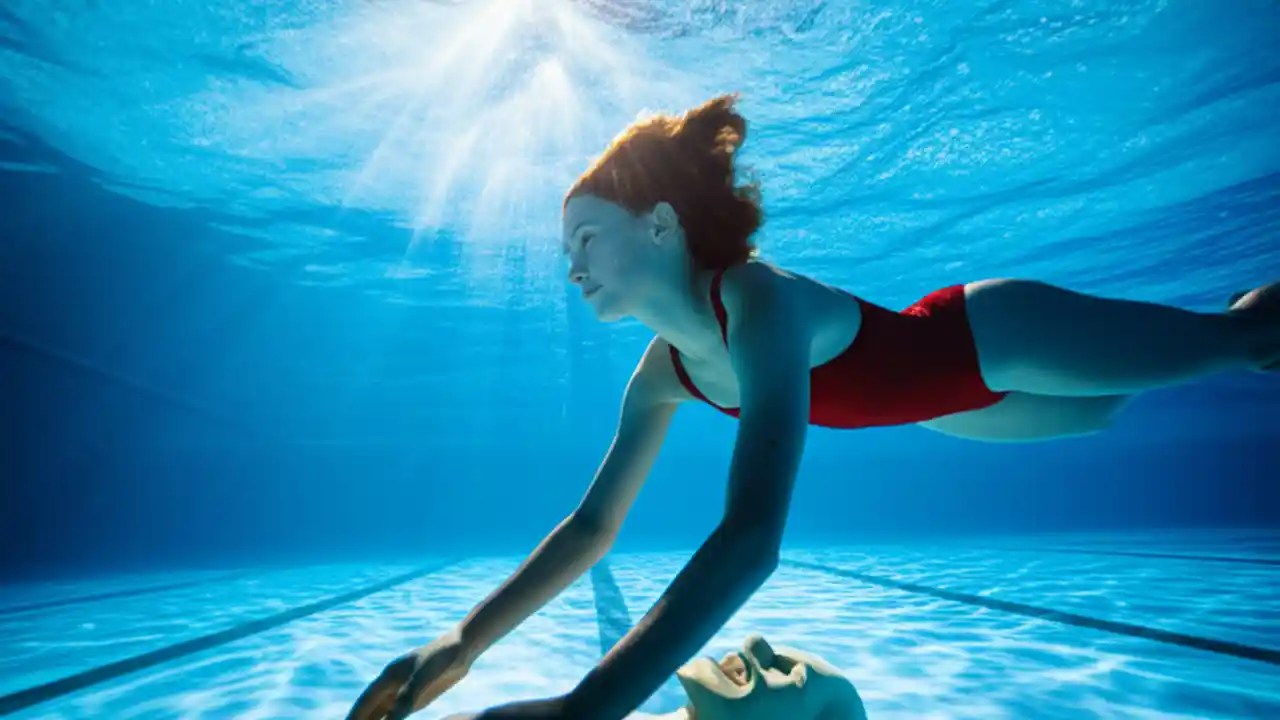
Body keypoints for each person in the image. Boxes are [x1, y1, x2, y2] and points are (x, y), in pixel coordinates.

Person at [346, 94, 1279, 720]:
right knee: (1100, 414)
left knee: (1237, 346)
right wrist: (459, 643)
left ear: (663, 224)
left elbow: (752, 538)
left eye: (588, 237)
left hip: (984, 337)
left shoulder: (755, 300)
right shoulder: (661, 374)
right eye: (567, 250)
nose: (575, 265)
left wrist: (587, 707)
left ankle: (1252, 310)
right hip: (947, 410)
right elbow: (592, 526)